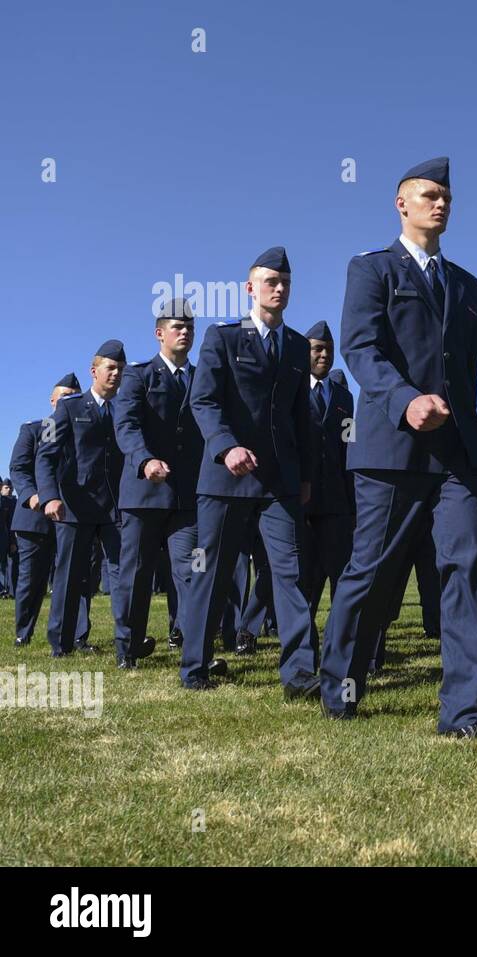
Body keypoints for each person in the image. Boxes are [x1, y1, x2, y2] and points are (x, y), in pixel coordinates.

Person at [318, 157, 477, 735]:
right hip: (391, 449)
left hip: (455, 457)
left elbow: (464, 371)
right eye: (428, 194)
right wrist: (404, 399)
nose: (439, 203)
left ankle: (464, 709)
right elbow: (360, 348)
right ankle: (341, 683)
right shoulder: (371, 269)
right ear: (402, 204)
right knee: (371, 570)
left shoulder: (466, 284)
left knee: (465, 569)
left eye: (446, 195)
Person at [181, 246, 319, 694]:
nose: (279, 290)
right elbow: (203, 401)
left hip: (279, 482)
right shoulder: (222, 338)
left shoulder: (297, 345)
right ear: (250, 288)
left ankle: (299, 672)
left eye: (285, 284)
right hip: (226, 479)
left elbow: (303, 419)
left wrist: (305, 478)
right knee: (213, 572)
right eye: (270, 282)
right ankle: (195, 666)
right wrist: (226, 448)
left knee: (291, 574)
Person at [114, 298, 204, 668]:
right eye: (177, 328)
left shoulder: (202, 378)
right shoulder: (137, 376)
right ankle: (128, 646)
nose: (185, 333)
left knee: (191, 570)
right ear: (159, 334)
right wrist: (145, 459)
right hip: (144, 494)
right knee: (136, 574)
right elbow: (127, 425)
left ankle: (191, 647)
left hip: (187, 497)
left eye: (190, 329)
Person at [36, 341, 135, 662]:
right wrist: (49, 497)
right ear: (94, 371)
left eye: (121, 369)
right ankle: (61, 643)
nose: (116, 374)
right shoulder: (68, 407)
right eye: (111, 368)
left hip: (116, 508)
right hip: (74, 506)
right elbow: (45, 456)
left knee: (122, 575)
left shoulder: (126, 408)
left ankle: (127, 643)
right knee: (69, 575)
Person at [8, 375, 85, 646]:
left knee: (76, 576)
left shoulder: (85, 432)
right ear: (53, 401)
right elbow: (19, 468)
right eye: (65, 396)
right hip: (36, 516)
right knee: (32, 580)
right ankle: (23, 633)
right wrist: (31, 496)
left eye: (75, 396)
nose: (69, 401)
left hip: (74, 514)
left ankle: (77, 636)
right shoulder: (36, 429)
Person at [301, 320, 355, 620]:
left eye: (329, 351)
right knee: (305, 582)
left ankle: (343, 646)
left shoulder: (344, 398)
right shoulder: (291, 390)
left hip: (336, 503)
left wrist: (353, 505)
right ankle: (304, 654)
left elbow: (349, 448)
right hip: (301, 501)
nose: (324, 355)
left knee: (343, 579)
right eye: (317, 349)